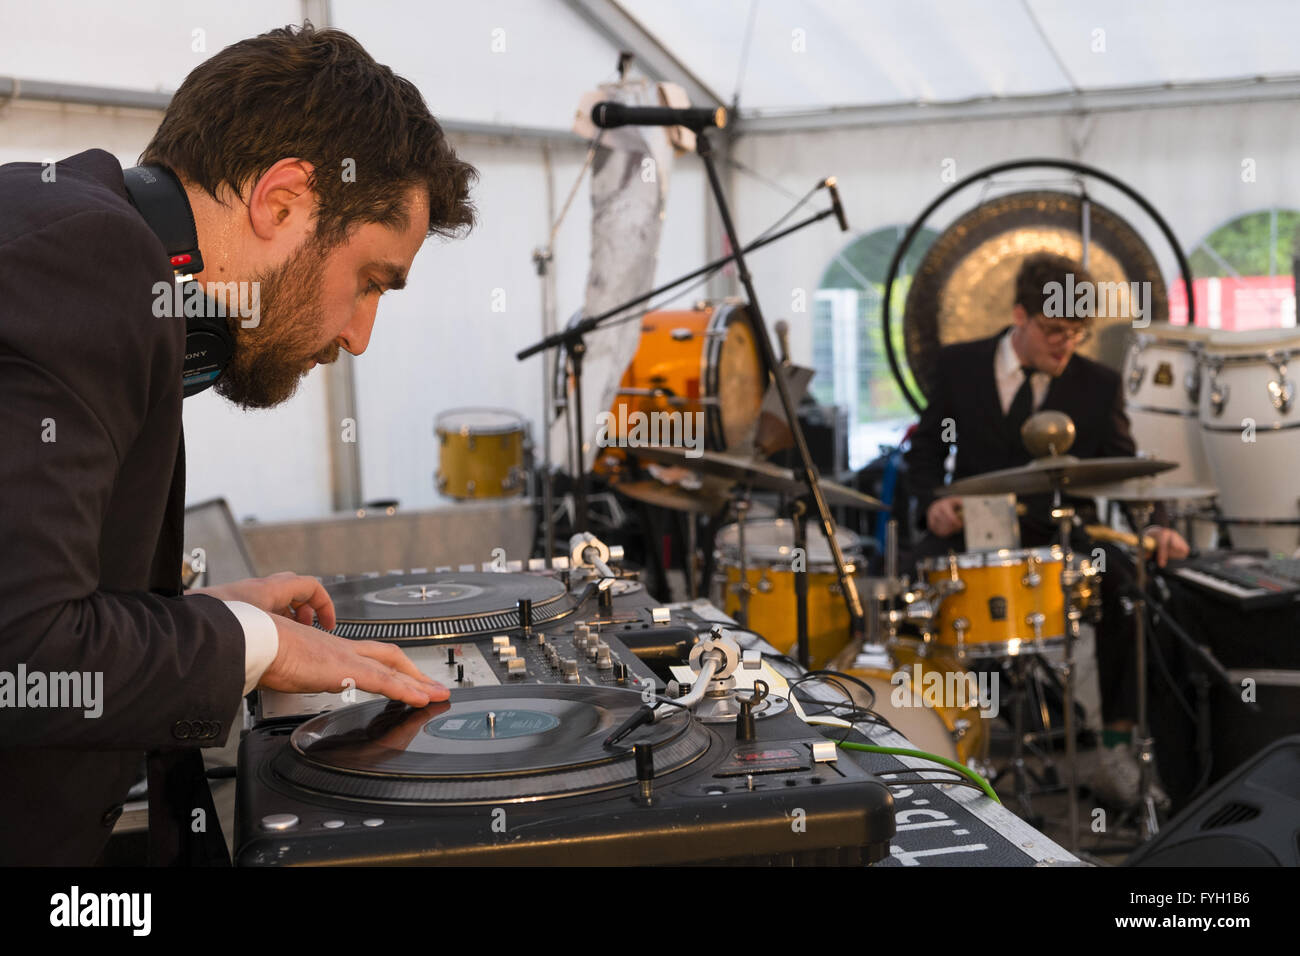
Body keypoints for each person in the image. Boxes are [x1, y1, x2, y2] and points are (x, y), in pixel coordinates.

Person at [0, 25, 477, 865]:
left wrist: (196, 618)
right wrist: (257, 644)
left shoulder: (76, 230)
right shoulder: (90, 257)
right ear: (283, 200)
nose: (361, 336)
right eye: (370, 281)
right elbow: (21, 648)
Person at [905, 253, 1189, 808]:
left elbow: (1130, 474)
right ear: (1019, 315)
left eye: (1078, 334)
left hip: (1059, 534)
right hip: (970, 532)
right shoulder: (959, 365)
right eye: (1055, 331)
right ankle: (947, 747)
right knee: (918, 591)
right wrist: (931, 505)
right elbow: (923, 460)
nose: (1066, 345)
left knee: (1128, 589)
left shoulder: (1098, 385)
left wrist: (1157, 527)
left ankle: (1115, 749)